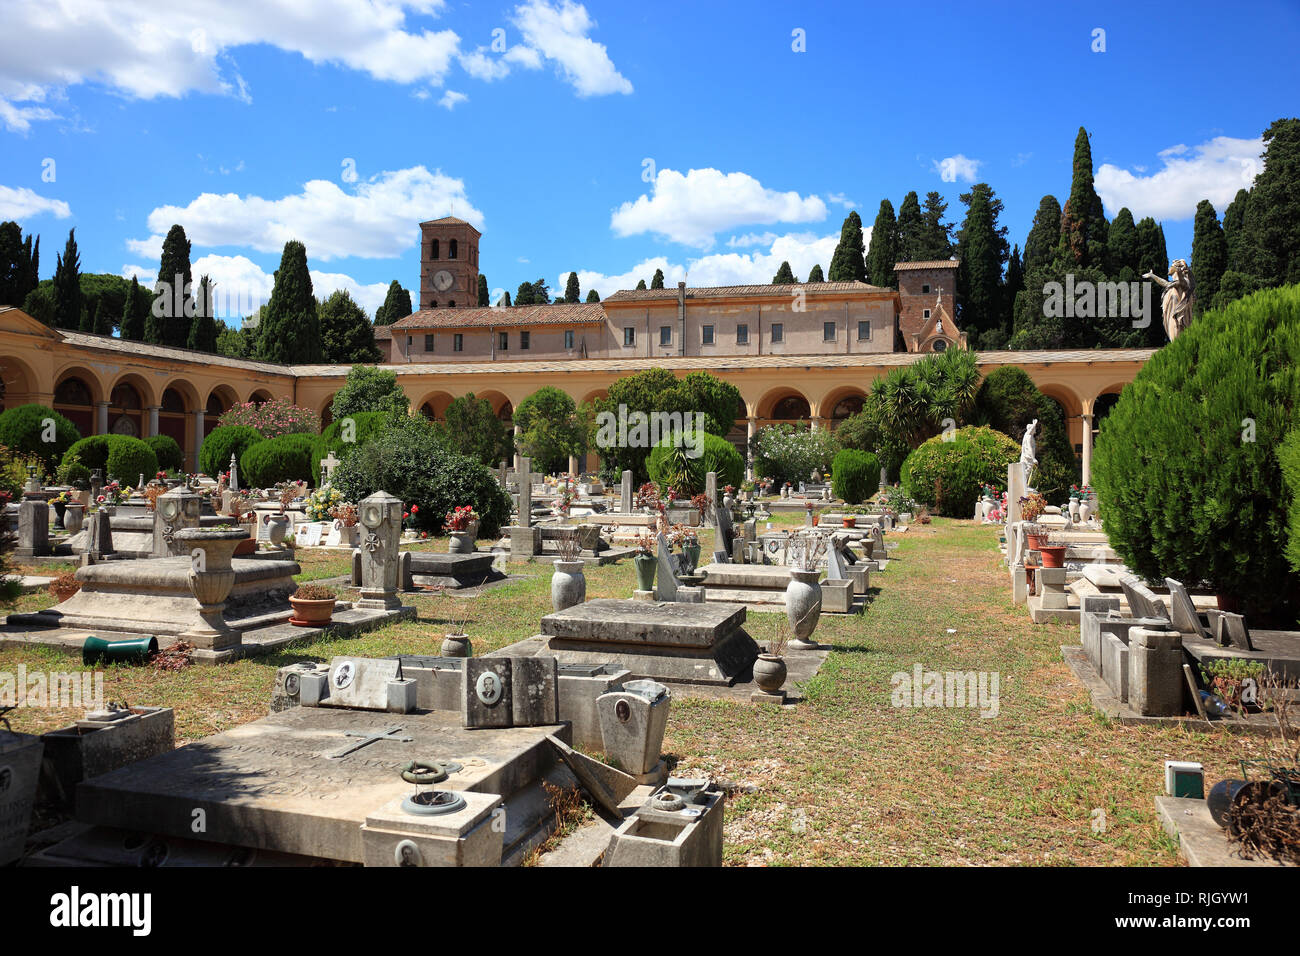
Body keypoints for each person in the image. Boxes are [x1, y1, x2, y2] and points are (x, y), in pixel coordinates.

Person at [1143, 259, 1195, 341]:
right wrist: (1152, 275)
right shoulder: (1173, 284)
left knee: (1177, 338)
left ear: (1176, 268)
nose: (1169, 268)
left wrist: (1180, 273)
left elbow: (1182, 283)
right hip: (1171, 315)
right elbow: (1166, 283)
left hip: (1178, 318)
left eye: (1171, 266)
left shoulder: (1184, 282)